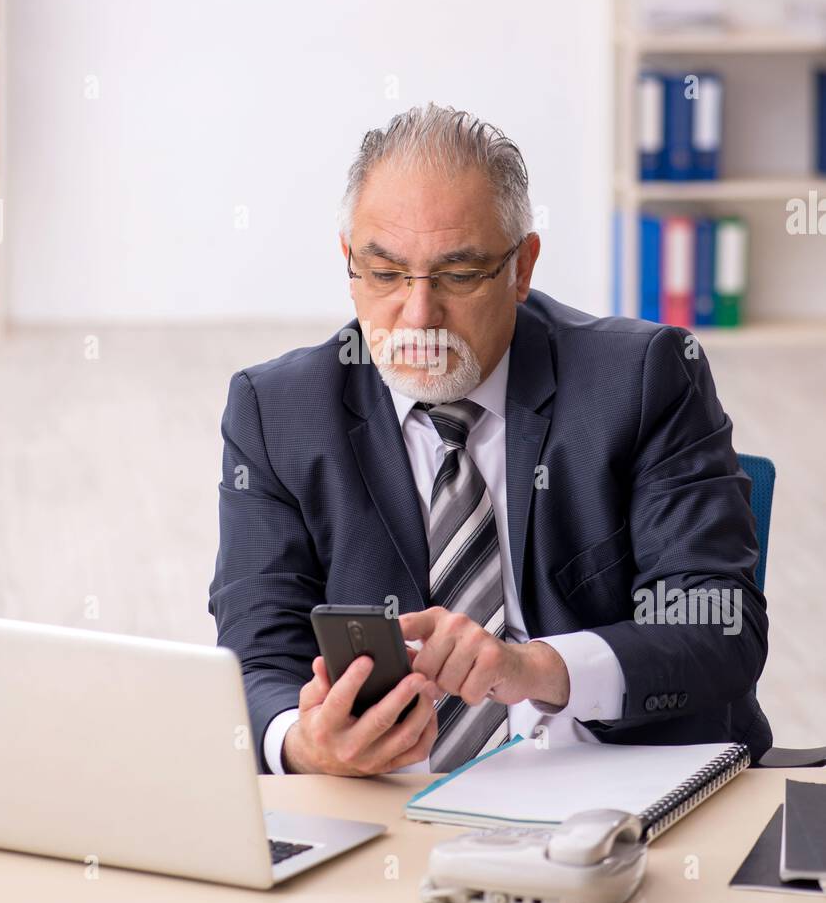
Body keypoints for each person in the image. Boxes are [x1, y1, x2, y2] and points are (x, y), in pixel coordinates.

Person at [209, 103, 771, 776]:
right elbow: (254, 653)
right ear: (348, 262)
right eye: (385, 273)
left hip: (617, 791)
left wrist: (533, 666)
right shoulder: (277, 410)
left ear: (521, 266)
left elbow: (717, 626)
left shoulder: (642, 379)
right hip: (385, 808)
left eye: (458, 274)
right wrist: (303, 742)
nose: (418, 313)